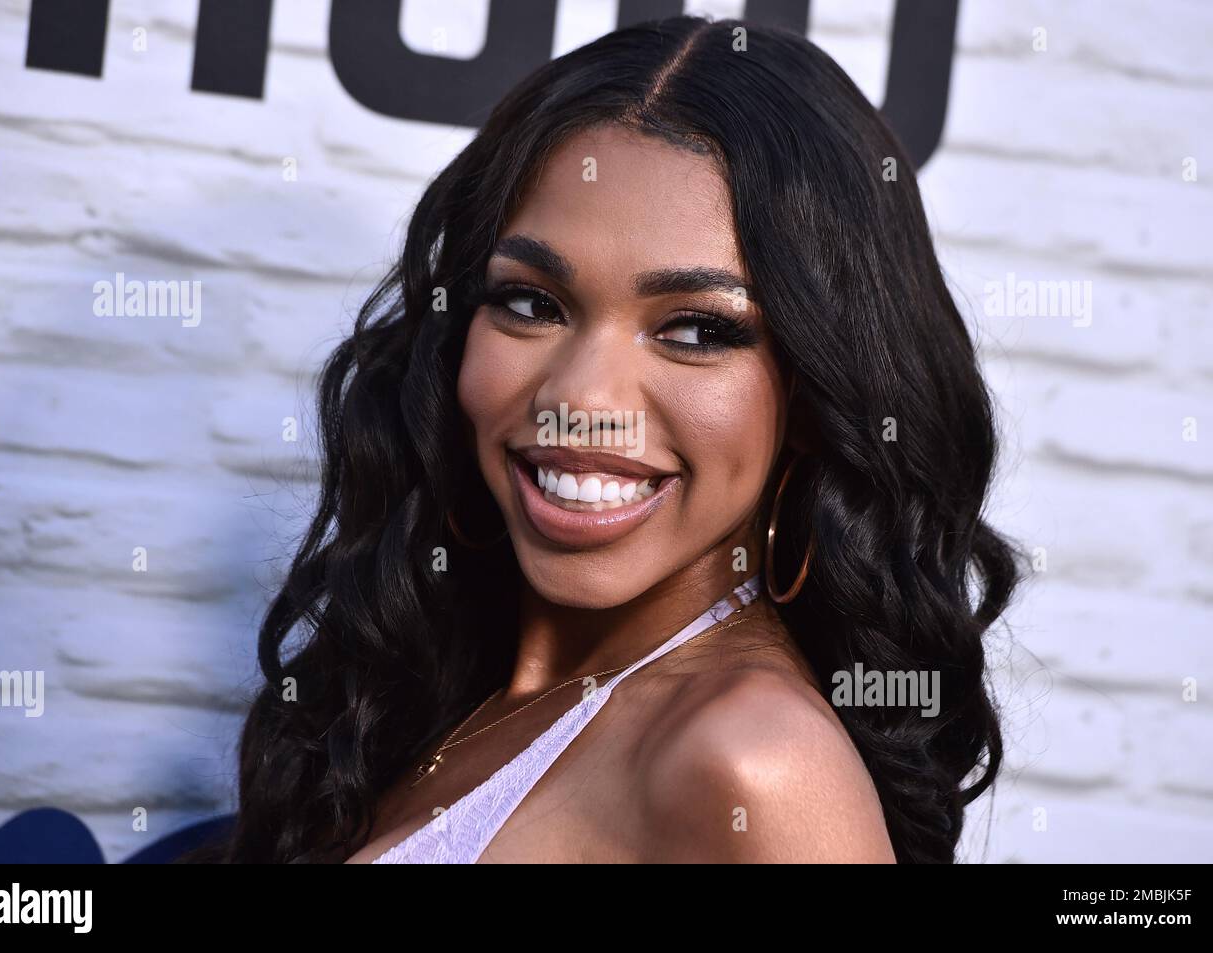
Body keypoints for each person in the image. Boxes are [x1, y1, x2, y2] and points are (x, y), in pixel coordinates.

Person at [186, 13, 1023, 864]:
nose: (580, 397)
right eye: (531, 303)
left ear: (817, 393)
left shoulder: (754, 761)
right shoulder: (436, 686)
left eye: (697, 329)